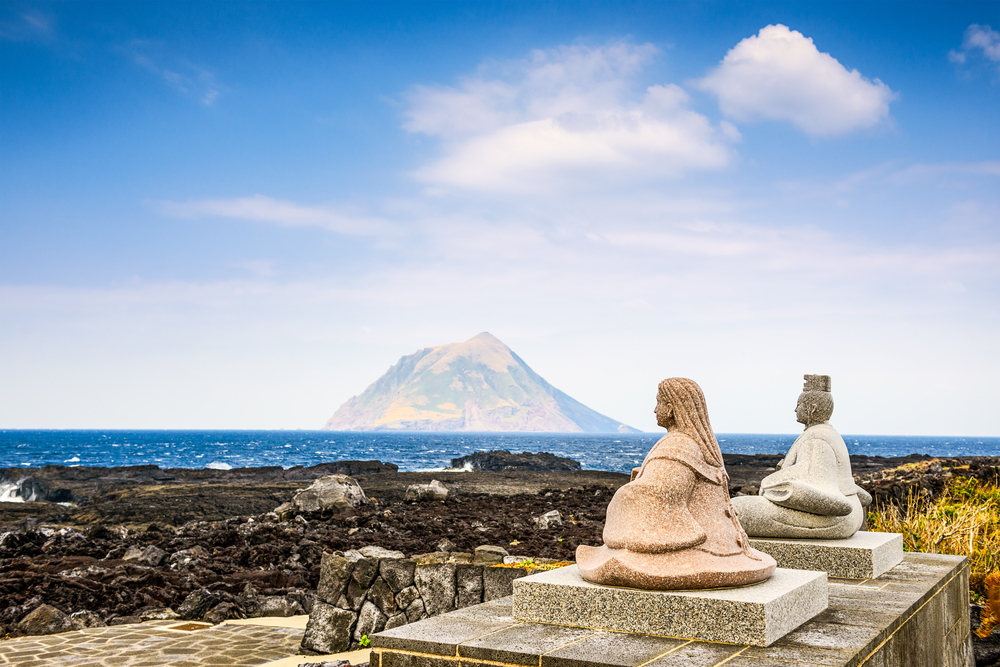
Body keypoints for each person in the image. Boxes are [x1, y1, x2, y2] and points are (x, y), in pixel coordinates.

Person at [577, 377, 775, 590]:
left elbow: (665, 492)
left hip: (704, 547)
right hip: (721, 541)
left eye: (659, 403)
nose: (655, 410)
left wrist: (627, 493)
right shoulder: (685, 441)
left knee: (625, 496)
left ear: (671, 409)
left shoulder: (679, 443)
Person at [732, 375, 872, 539]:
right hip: (852, 515)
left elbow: (815, 478)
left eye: (799, 405)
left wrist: (770, 482)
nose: (795, 409)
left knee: (735, 510)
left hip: (837, 521)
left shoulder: (816, 439)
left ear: (812, 409)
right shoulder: (830, 433)